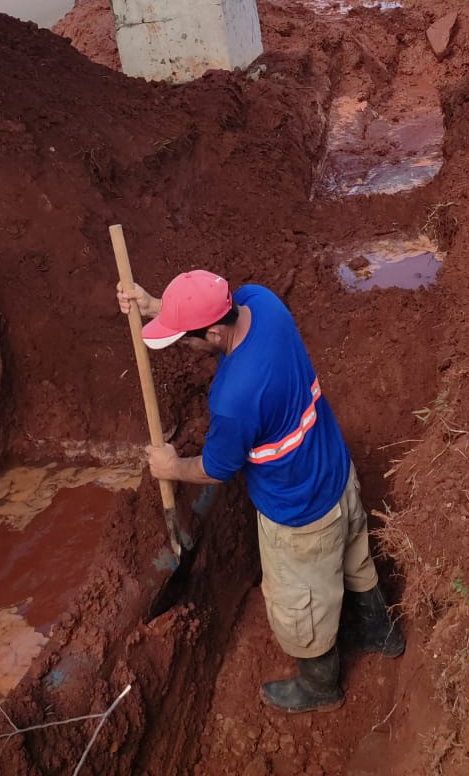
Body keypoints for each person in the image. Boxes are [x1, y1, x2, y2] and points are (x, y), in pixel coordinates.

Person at [116, 270, 404, 713]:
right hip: (336, 473)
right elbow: (219, 310)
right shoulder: (262, 302)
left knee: (298, 603)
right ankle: (379, 632)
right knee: (354, 556)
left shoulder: (233, 398)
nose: (185, 349)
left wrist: (172, 467)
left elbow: (216, 468)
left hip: (298, 512)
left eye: (186, 339)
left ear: (213, 333)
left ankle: (320, 687)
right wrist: (157, 306)